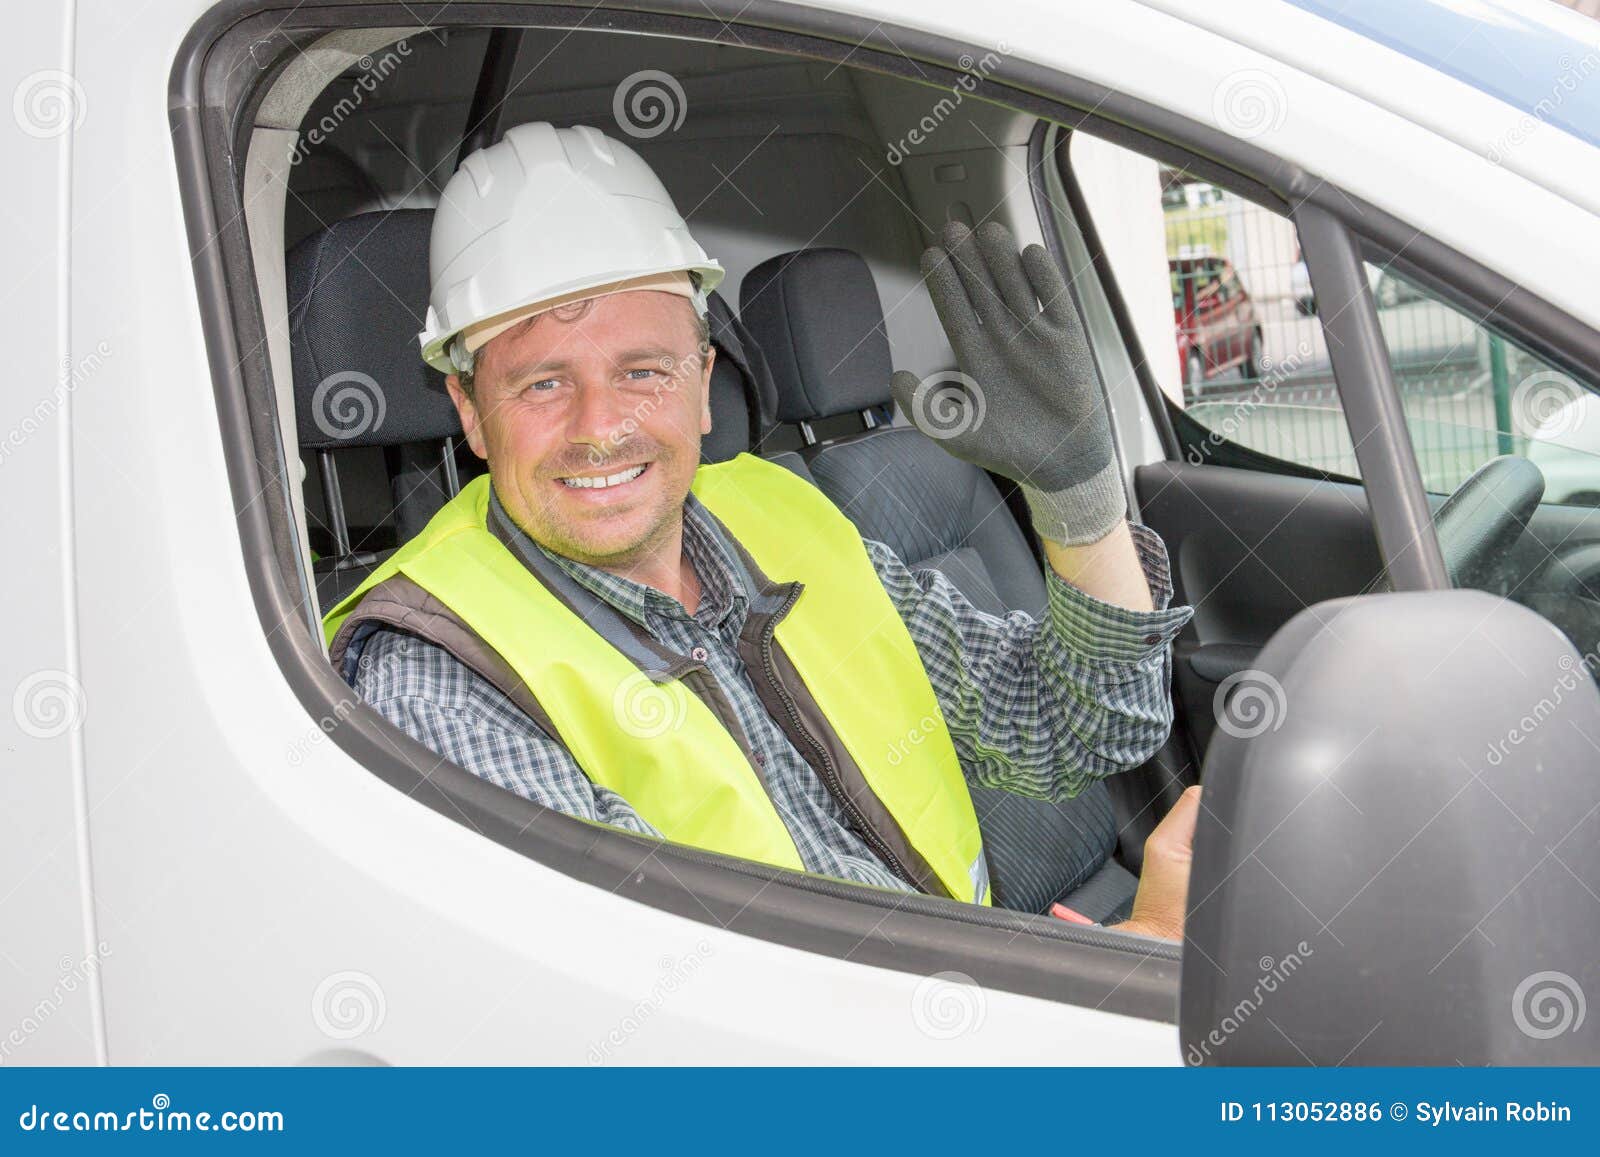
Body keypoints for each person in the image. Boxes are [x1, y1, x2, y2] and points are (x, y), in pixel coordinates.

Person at [324, 121, 1199, 939]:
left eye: (643, 370)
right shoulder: (438, 671)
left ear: (706, 382)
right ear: (471, 412)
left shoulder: (787, 520)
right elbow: (659, 1028)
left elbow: (1075, 731)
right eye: (543, 384)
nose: (602, 425)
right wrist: (1103, 994)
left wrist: (1080, 500)